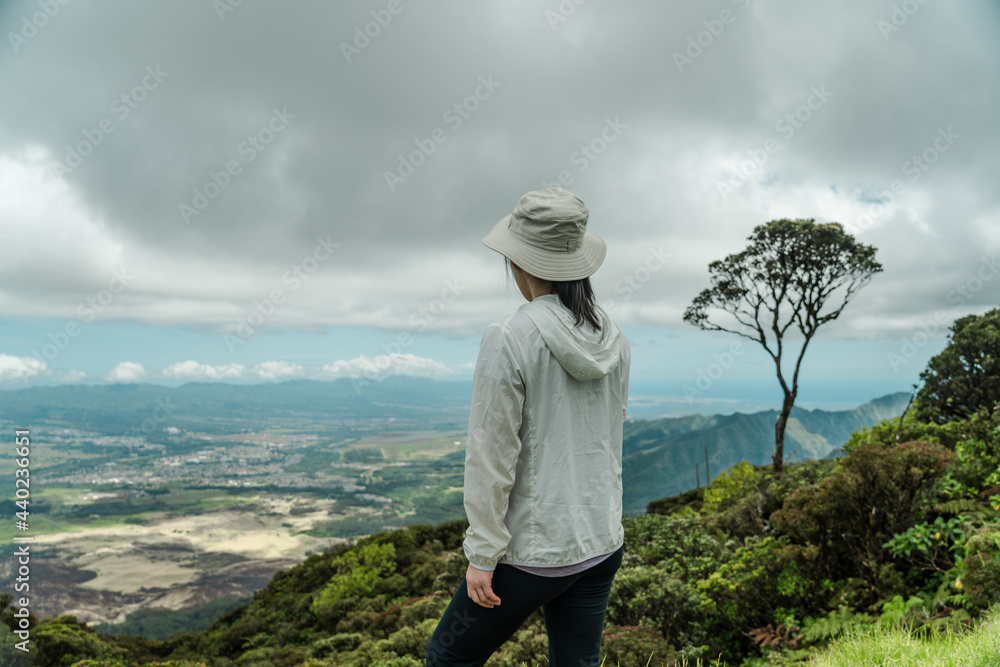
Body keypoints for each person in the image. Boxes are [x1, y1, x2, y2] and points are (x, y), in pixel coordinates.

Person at [426, 187, 631, 666]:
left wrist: (482, 555)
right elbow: (609, 433)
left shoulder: (509, 336)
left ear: (519, 263)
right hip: (600, 543)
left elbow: (489, 454)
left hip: (532, 553)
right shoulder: (612, 335)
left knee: (447, 657)